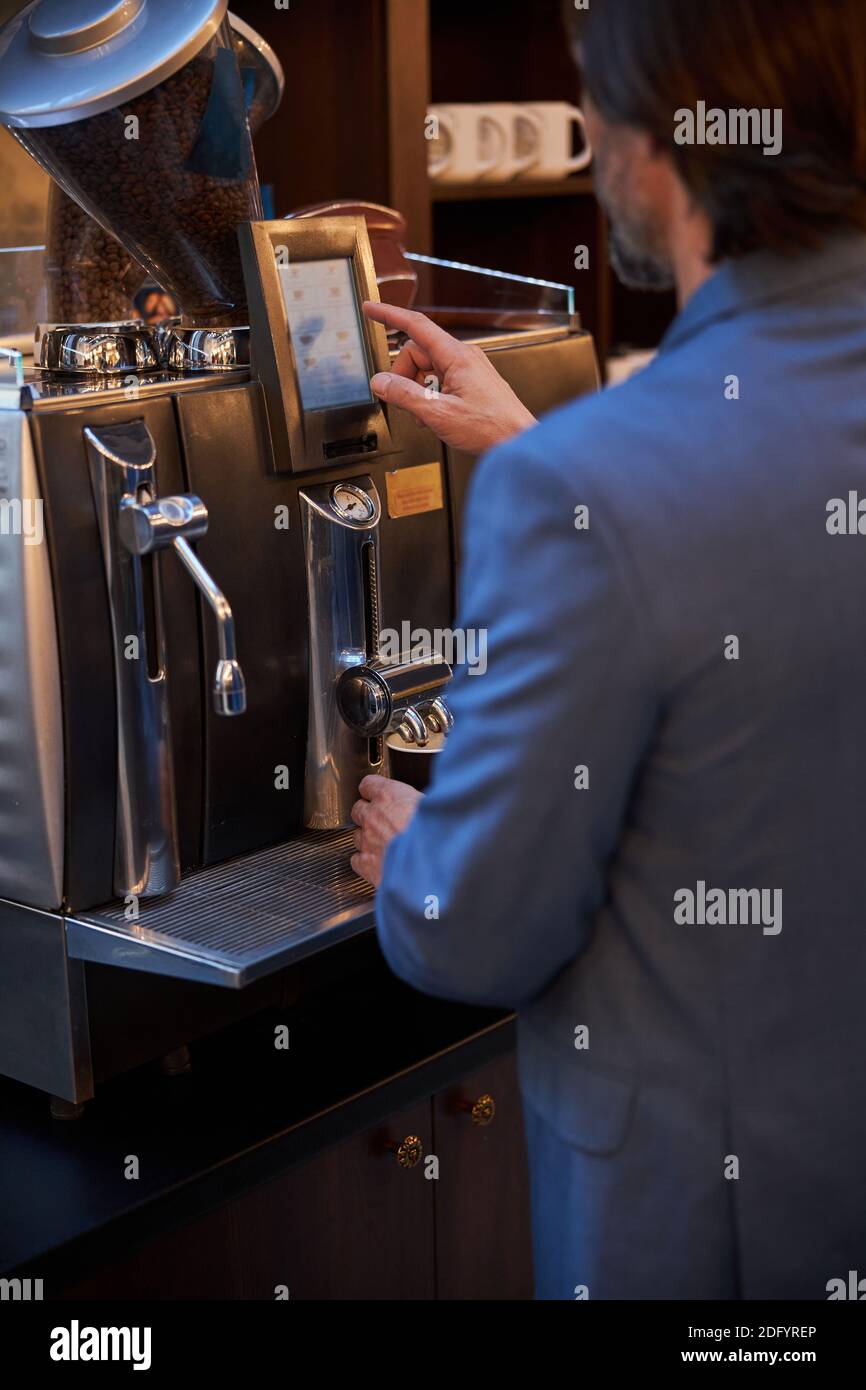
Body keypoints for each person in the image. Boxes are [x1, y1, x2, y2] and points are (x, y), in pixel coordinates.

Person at [353, 0, 866, 1300]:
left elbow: (476, 934)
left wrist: (412, 852)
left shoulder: (593, 493)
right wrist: (551, 458)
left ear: (664, 143)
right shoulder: (593, 483)